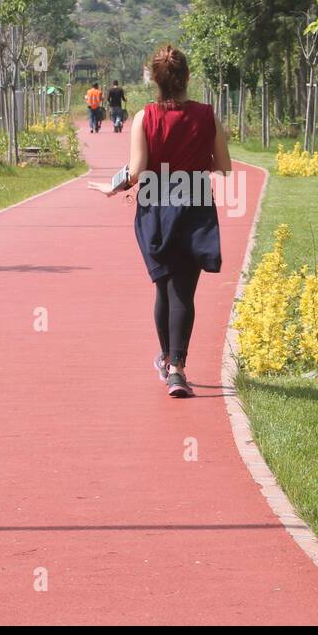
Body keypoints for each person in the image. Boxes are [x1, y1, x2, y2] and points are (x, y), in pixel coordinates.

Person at [89, 46, 232, 398]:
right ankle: (177, 368)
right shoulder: (207, 115)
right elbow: (224, 167)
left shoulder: (145, 117)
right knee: (183, 290)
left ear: (154, 79)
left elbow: (137, 171)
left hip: (155, 206)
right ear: (187, 77)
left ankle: (169, 362)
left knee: (163, 285)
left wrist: (112, 186)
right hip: (196, 205)